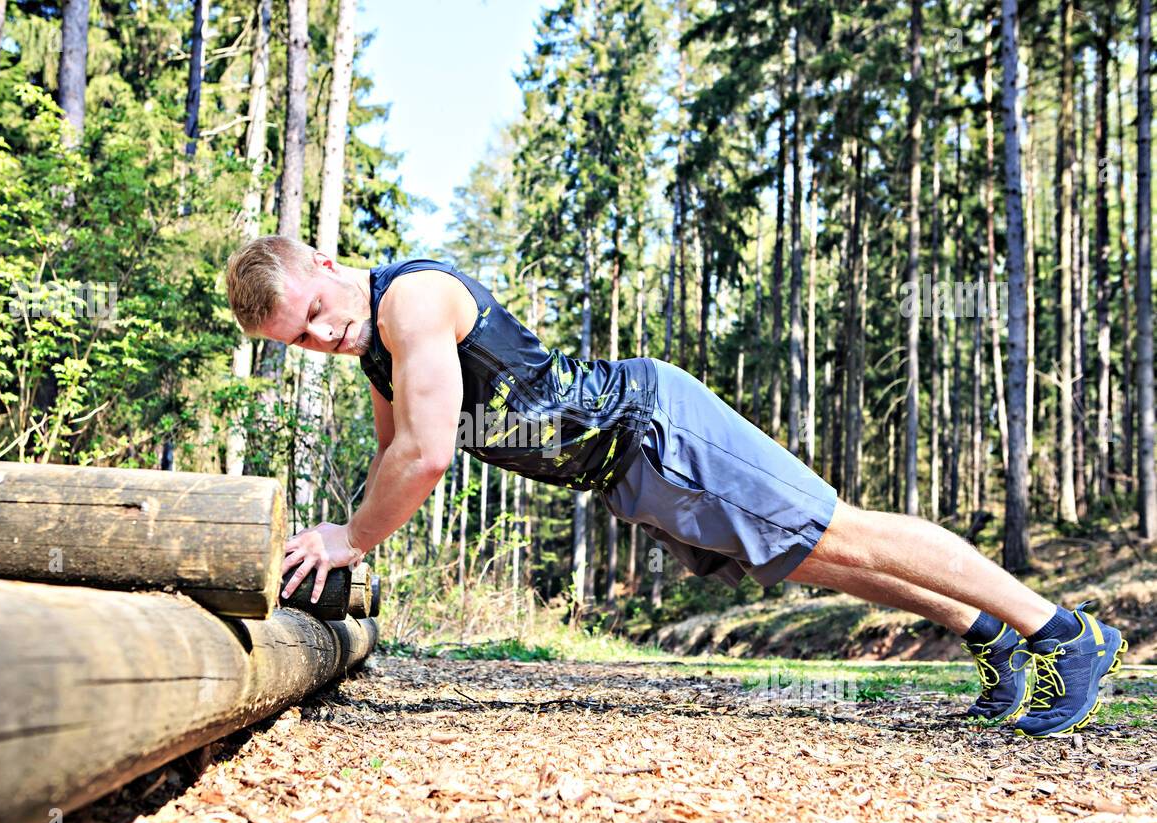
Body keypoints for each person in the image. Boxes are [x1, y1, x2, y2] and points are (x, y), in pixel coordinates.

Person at [224, 236, 1128, 738]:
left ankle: (1064, 633)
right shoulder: (374, 354)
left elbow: (424, 457)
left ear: (330, 264)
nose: (320, 335)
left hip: (652, 428)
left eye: (313, 311)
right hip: (630, 474)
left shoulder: (409, 303)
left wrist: (350, 539)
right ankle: (990, 639)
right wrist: (338, 531)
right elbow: (391, 460)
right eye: (296, 342)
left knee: (838, 530)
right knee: (814, 560)